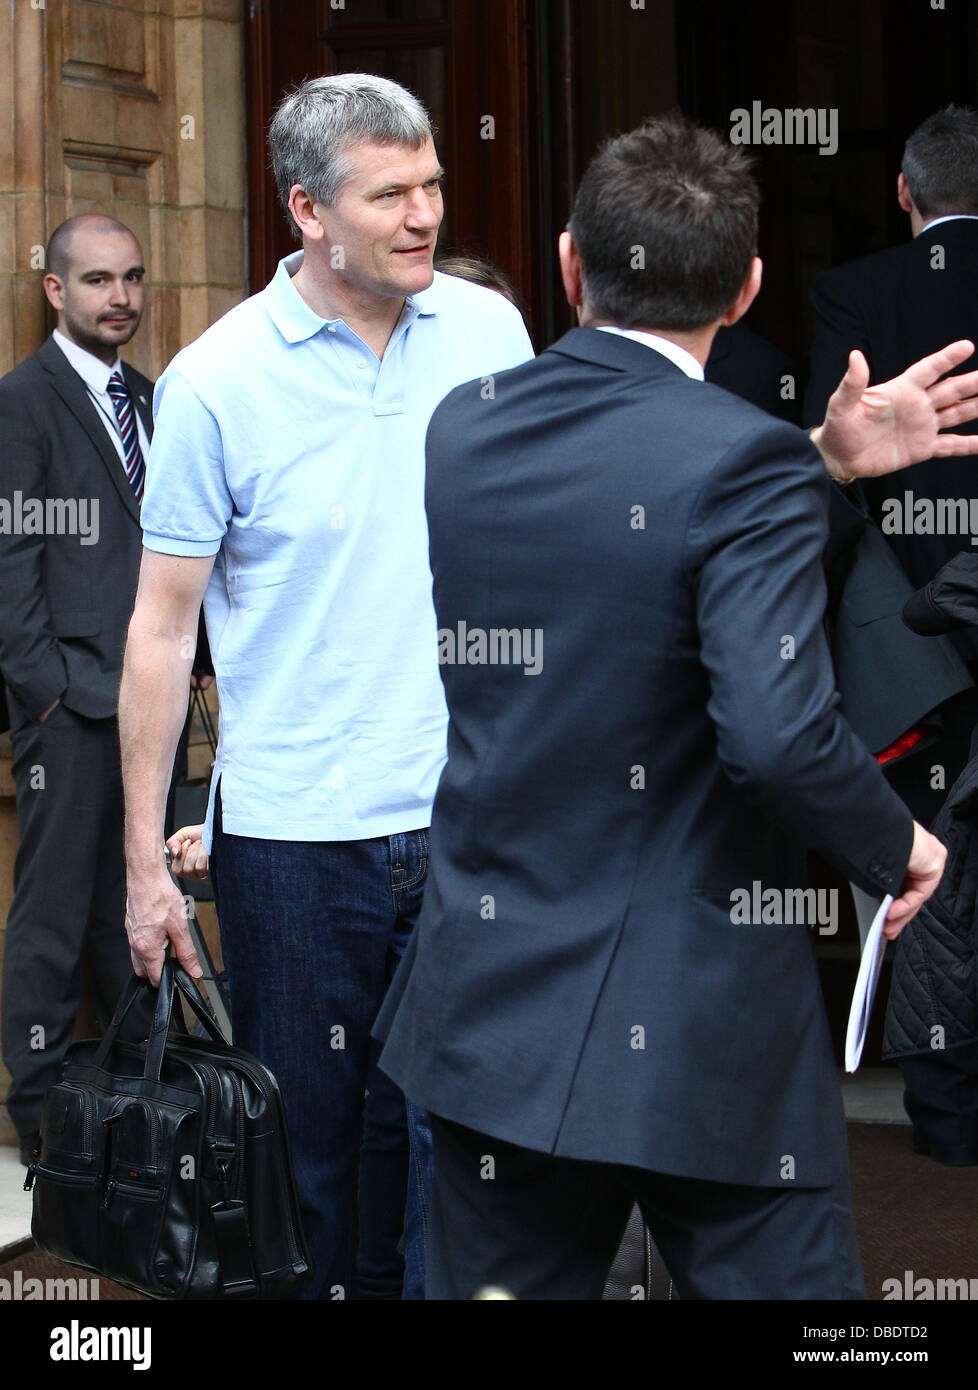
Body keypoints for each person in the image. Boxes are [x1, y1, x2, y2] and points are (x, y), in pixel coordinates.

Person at [372, 113, 978, 1299]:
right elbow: (774, 732)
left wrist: (817, 462)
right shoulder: (743, 461)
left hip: (497, 996)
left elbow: (626, 504)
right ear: (749, 289)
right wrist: (901, 843)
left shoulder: (464, 429)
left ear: (567, 263)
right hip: (705, 1015)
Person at [118, 73, 534, 1301]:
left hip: (466, 815)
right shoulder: (215, 381)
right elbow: (158, 631)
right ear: (308, 210)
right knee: (305, 1163)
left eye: (434, 186)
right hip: (296, 840)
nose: (424, 216)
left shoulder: (488, 333)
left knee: (454, 1149)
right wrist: (147, 864)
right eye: (389, 193)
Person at [805, 104, 978, 1165]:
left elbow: (839, 455)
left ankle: (948, 1116)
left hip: (902, 639)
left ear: (906, 195)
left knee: (925, 868)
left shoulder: (855, 290)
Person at [0, 215, 157, 1165]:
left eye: (134, 278)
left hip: (143, 702)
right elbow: (8, 554)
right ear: (55, 290)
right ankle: (40, 1116)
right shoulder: (22, 401)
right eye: (98, 281)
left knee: (129, 914)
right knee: (54, 918)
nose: (122, 298)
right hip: (69, 712)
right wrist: (45, 690)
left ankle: (136, 1102)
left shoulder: (149, 396)